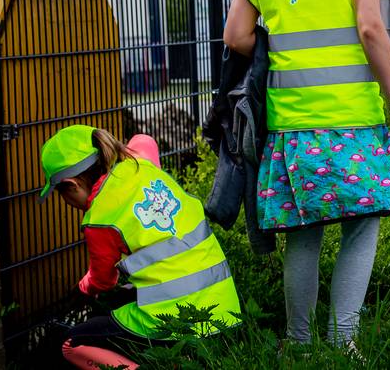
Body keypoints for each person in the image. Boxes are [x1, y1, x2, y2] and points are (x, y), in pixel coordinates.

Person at [223, 0, 390, 347]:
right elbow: (371, 29)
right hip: (352, 121)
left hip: (290, 128)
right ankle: (343, 338)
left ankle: (299, 339)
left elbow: (236, 36)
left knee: (302, 235)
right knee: (360, 227)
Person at [40, 126, 242, 369]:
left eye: (62, 195)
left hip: (174, 319)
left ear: (72, 185)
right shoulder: (140, 164)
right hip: (224, 309)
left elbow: (103, 281)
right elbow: (145, 141)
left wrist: (82, 287)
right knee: (126, 296)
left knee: (71, 343)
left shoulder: (101, 218)